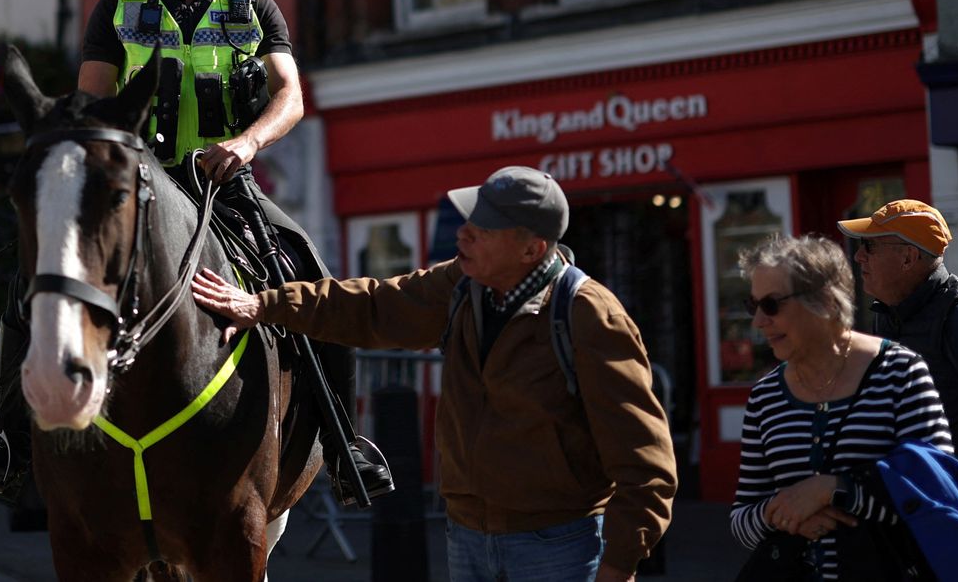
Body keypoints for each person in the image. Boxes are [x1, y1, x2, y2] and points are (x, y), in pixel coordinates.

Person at [0, 0, 392, 506]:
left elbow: (291, 95)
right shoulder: (118, 8)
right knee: (33, 278)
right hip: (133, 194)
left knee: (305, 262)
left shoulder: (254, 5)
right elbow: (88, 112)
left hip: (226, 188)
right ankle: (8, 436)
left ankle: (344, 442)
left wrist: (245, 144)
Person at [192, 165, 677, 582]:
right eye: (470, 220)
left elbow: (646, 463)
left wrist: (619, 563)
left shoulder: (590, 315)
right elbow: (371, 305)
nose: (464, 233)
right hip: (468, 536)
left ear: (533, 249)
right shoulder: (462, 285)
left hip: (559, 545)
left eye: (483, 228)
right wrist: (264, 303)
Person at [729, 234, 952, 581]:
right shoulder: (765, 397)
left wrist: (834, 490)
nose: (758, 321)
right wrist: (781, 514)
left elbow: (938, 491)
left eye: (771, 305)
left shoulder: (899, 372)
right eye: (752, 305)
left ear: (825, 301)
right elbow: (742, 519)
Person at [838, 199, 958, 508]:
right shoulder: (888, 315)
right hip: (907, 514)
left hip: (953, 521)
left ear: (909, 257)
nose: (859, 256)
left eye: (870, 247)